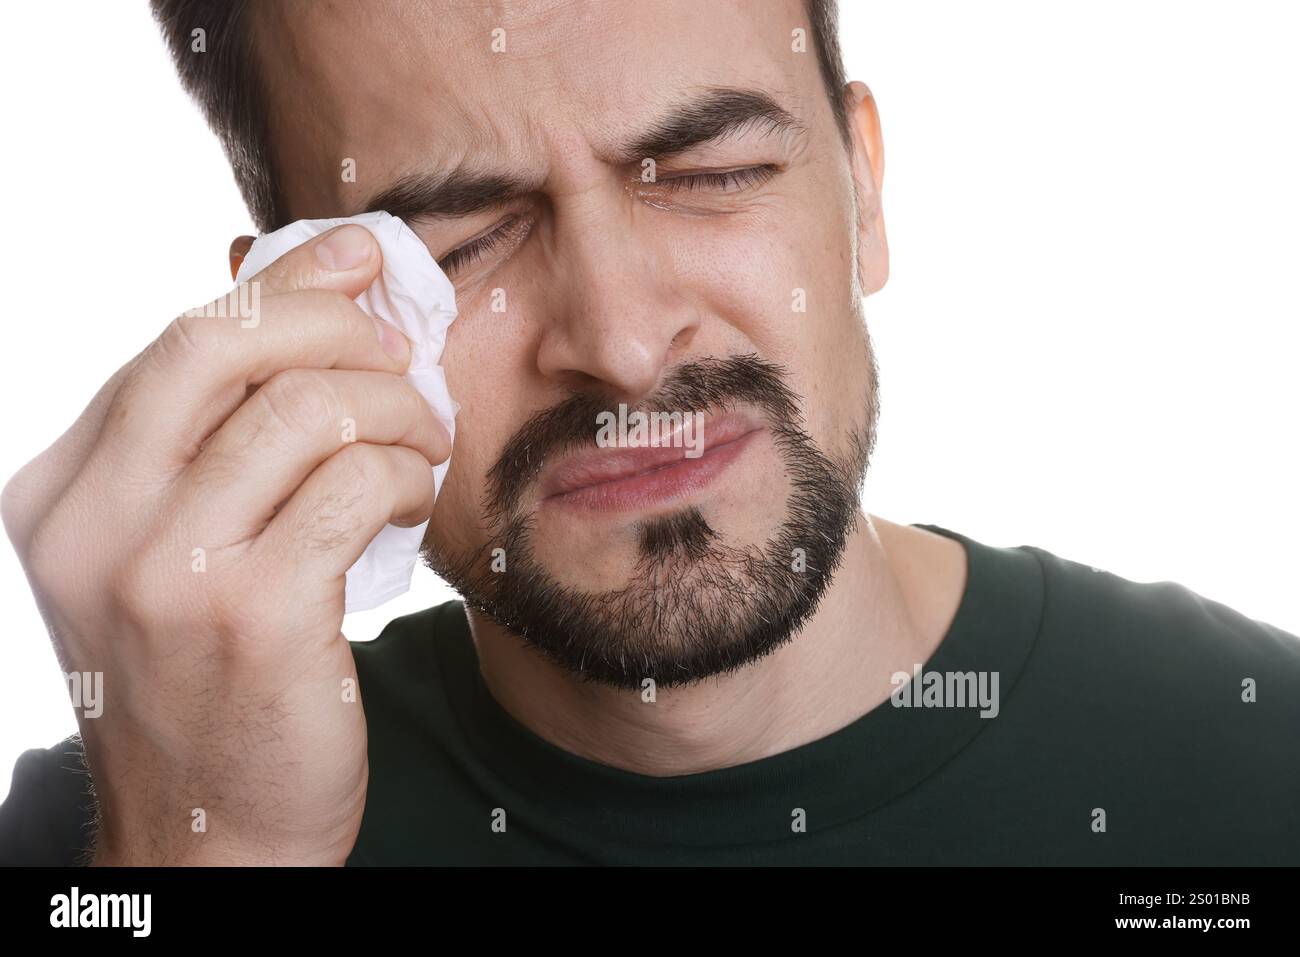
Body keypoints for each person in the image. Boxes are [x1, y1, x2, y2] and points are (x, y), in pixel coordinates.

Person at [1, 0, 1297, 866]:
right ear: (286, 317)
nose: (620, 341)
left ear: (865, 195)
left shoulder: (1263, 764)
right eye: (462, 241)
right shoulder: (110, 837)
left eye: (716, 171)